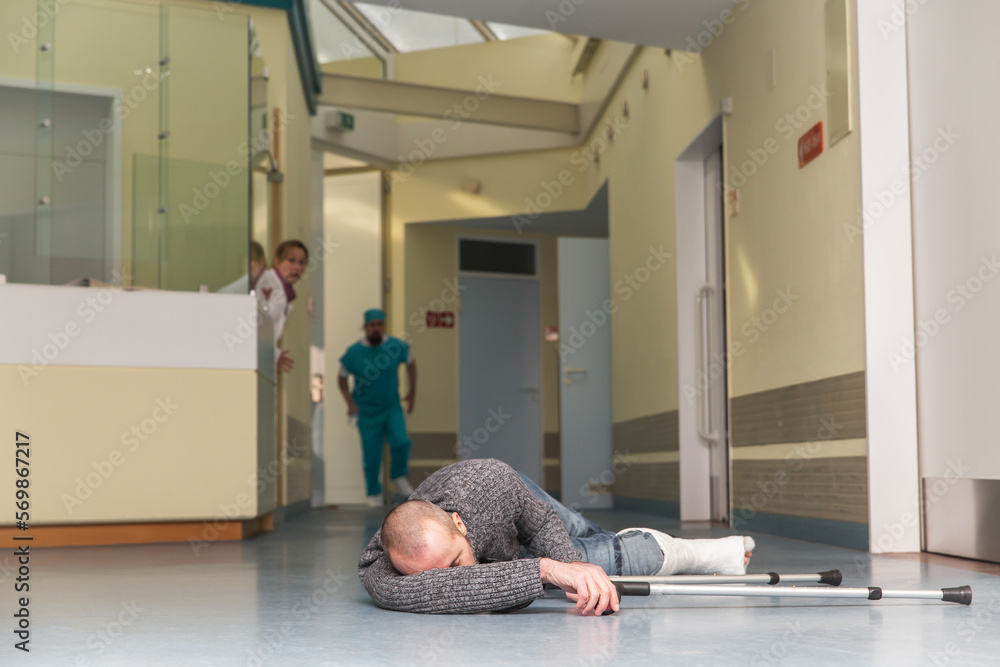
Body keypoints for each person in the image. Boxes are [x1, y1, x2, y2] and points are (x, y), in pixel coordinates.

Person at [358, 459, 755, 615]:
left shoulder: (490, 484)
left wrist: (570, 565)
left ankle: (597, 541)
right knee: (613, 560)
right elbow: (448, 589)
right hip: (512, 556)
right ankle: (685, 551)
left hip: (516, 501)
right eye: (432, 576)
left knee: (575, 531)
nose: (456, 577)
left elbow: (540, 525)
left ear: (458, 524)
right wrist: (547, 570)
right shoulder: (382, 566)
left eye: (457, 562)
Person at [338, 309, 417, 507]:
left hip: (391, 407)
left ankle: (398, 476)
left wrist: (412, 393)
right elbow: (341, 378)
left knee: (401, 441)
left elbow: (411, 363)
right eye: (372, 325)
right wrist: (350, 403)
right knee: (371, 456)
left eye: (379, 324)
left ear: (384, 326)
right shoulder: (354, 353)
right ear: (365, 327)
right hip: (365, 411)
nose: (376, 328)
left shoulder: (395, 347)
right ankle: (373, 492)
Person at [255, 239, 308, 374]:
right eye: (291, 260)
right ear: (277, 261)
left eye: (302, 263)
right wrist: (274, 354)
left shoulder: (283, 292)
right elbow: (259, 326)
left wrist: (274, 354)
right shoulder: (268, 283)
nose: (297, 267)